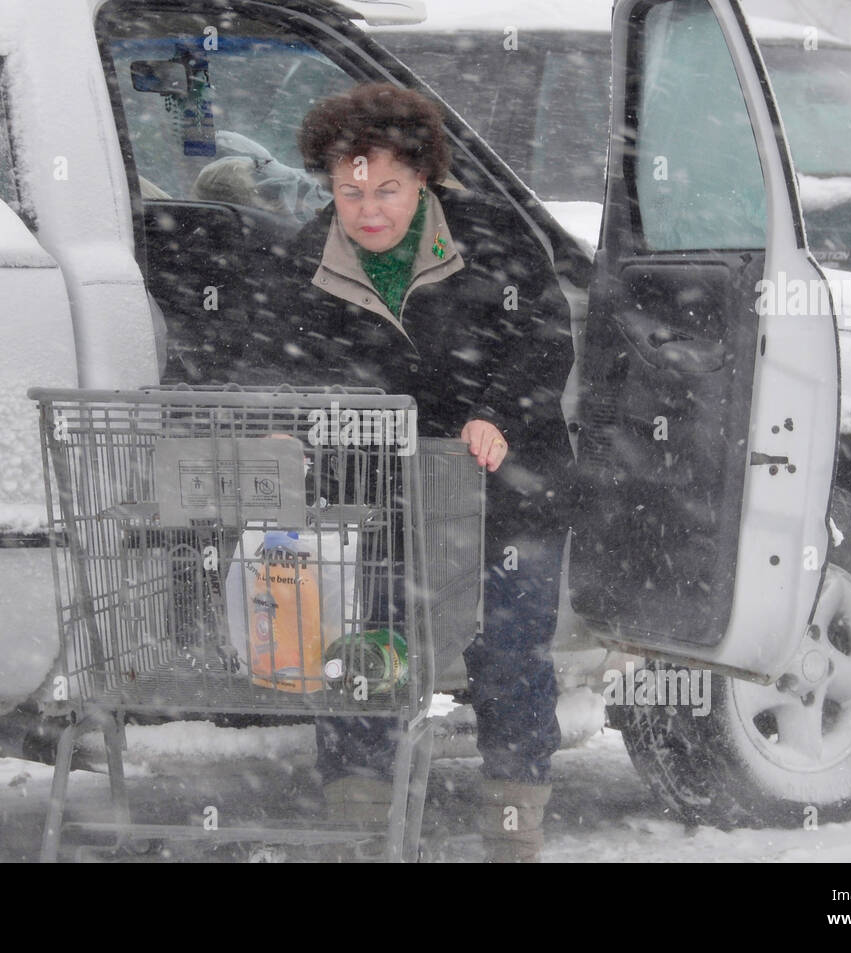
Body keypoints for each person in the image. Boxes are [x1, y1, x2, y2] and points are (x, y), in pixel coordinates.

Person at [239, 83, 576, 862]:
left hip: (506, 487)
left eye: (387, 188)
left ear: (423, 177)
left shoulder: (491, 236)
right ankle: (360, 818)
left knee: (511, 643)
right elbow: (279, 359)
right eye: (350, 190)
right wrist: (284, 429)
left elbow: (543, 339)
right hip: (378, 496)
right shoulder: (308, 257)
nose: (369, 210)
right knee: (367, 646)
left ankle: (515, 823)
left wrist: (496, 414)